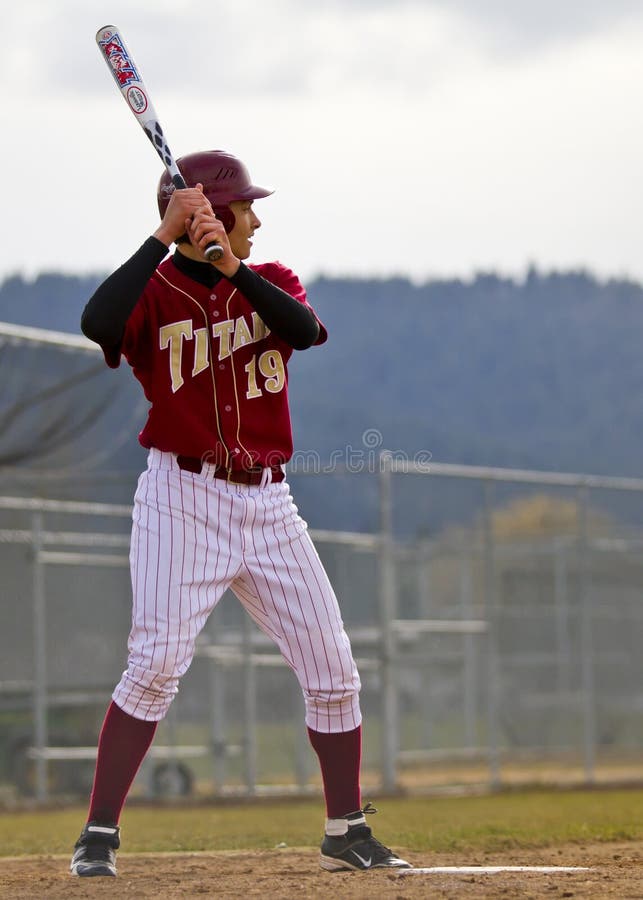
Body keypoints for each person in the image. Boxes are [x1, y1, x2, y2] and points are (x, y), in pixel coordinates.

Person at [70, 150, 411, 877]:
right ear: (211, 215)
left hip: (268, 502)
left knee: (333, 669)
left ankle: (346, 830)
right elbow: (97, 321)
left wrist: (228, 266)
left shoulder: (271, 280)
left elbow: (304, 330)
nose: (255, 219)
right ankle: (97, 835)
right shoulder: (153, 291)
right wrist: (163, 236)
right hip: (181, 499)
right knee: (155, 665)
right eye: (244, 207)